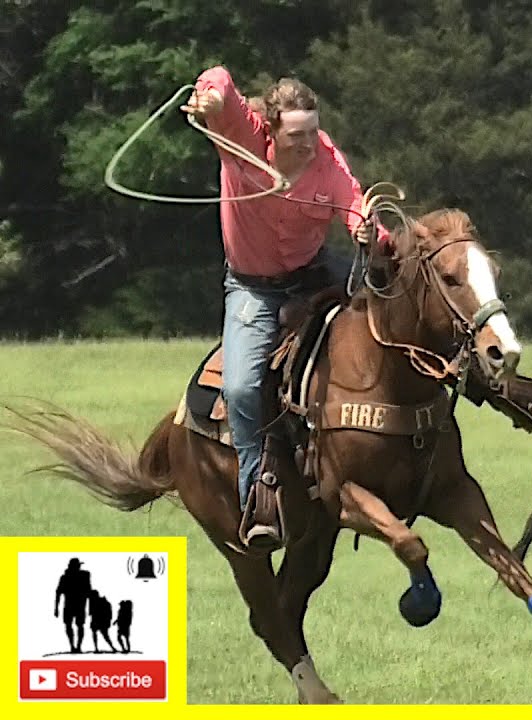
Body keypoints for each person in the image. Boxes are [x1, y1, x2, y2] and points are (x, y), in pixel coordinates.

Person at [182, 66, 387, 551]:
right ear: (270, 129)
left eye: (314, 131)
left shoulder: (325, 160)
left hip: (312, 271)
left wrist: (368, 231)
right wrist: (210, 98)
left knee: (394, 300)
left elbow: (353, 201)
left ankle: (483, 383)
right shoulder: (240, 137)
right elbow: (220, 80)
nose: (309, 143)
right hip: (253, 288)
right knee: (240, 386)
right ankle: (257, 491)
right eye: (297, 135)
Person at [54, 558, 92, 653]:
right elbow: (58, 592)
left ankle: (76, 646)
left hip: (76, 605)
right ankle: (74, 646)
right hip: (75, 605)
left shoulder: (84, 575)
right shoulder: (80, 576)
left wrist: (56, 608)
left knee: (77, 625)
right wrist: (56, 608)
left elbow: (88, 591)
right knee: (73, 625)